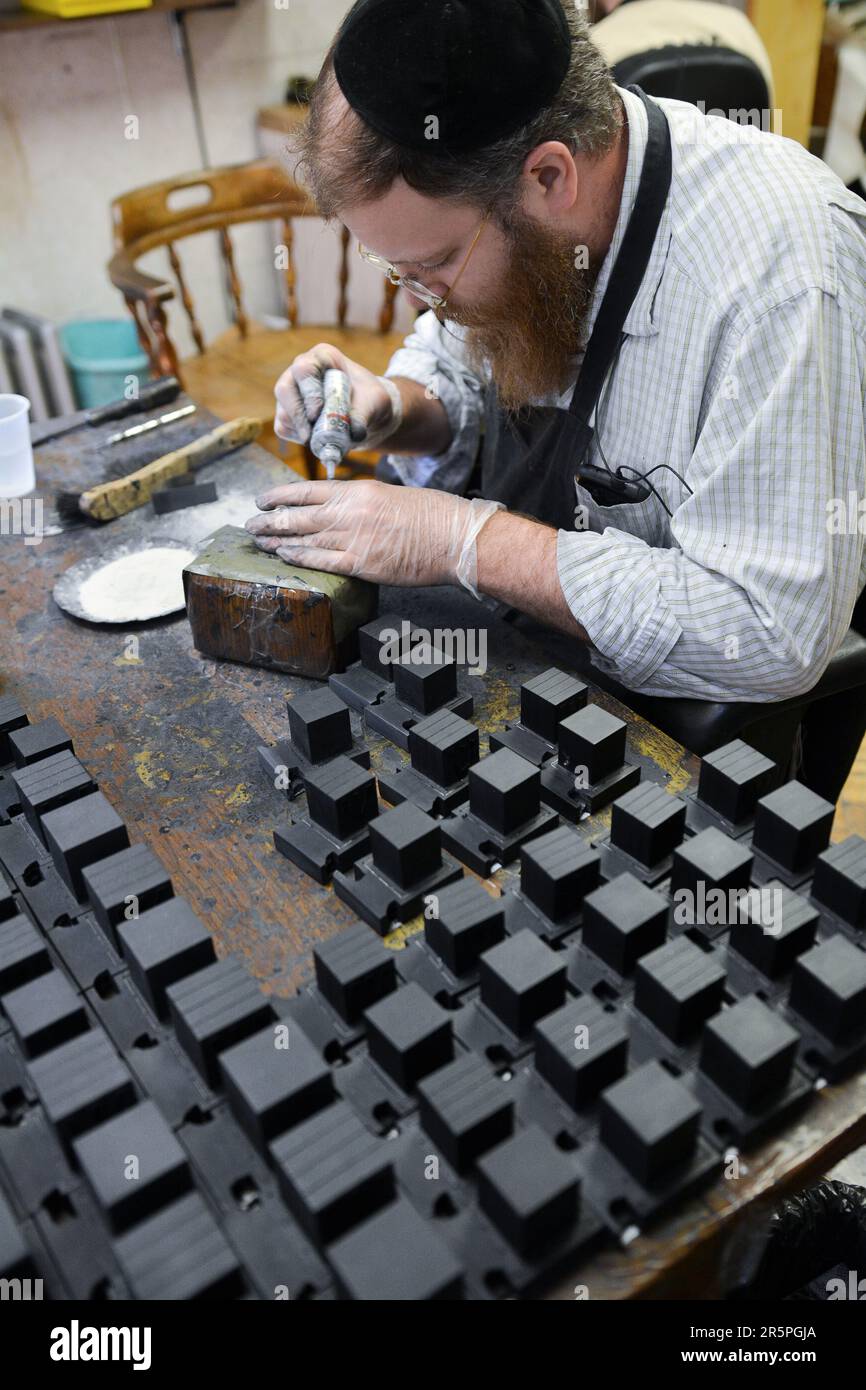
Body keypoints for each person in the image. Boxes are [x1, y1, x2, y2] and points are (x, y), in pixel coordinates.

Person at [245, 0, 866, 702]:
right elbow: (460, 367)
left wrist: (465, 543)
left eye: (434, 265)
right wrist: (396, 408)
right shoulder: (523, 224)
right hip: (518, 653)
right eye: (398, 272)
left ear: (548, 179)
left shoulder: (785, 280)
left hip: (666, 725)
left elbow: (768, 632)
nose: (420, 299)